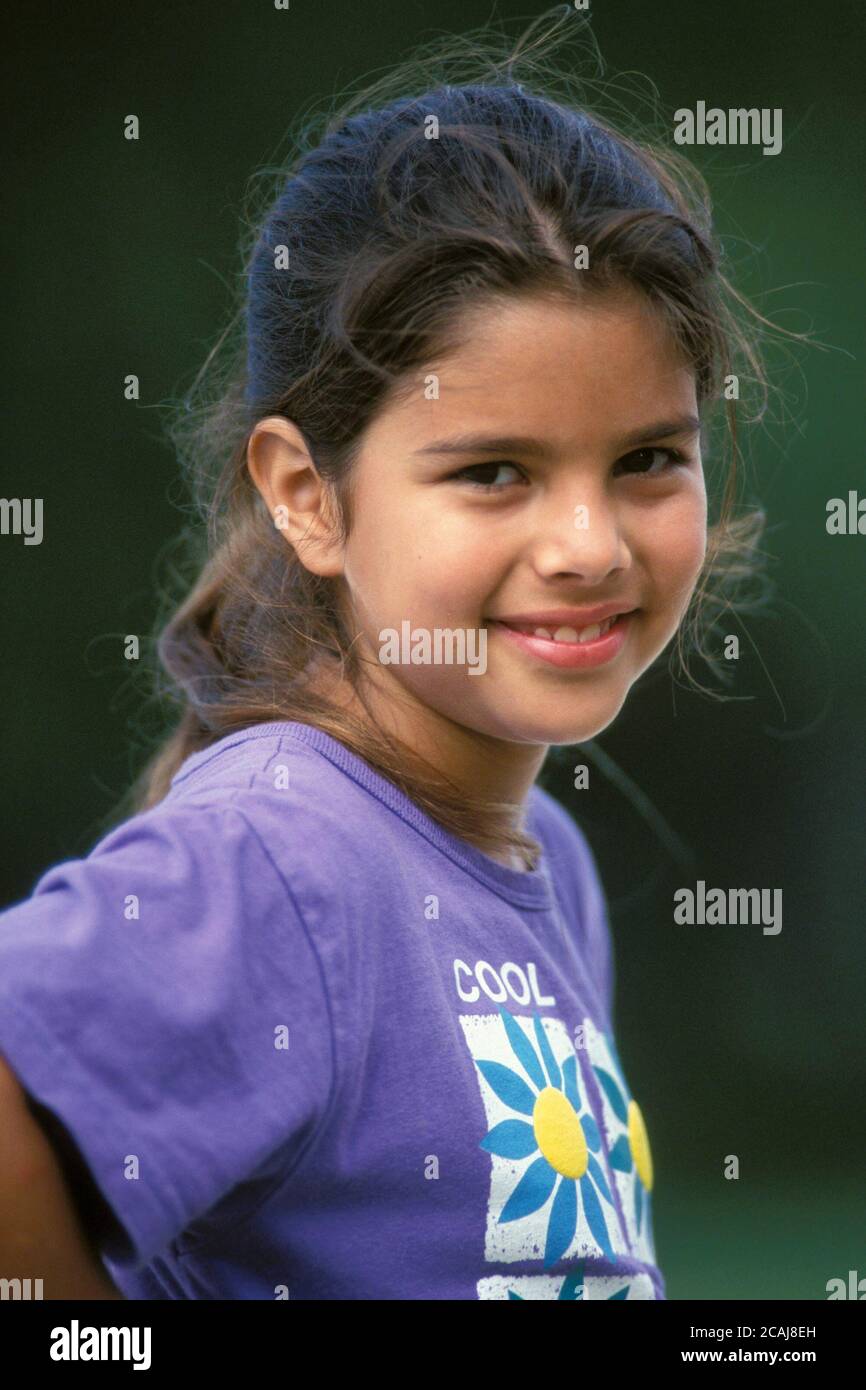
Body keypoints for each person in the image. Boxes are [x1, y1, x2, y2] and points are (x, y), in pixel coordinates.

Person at [0, 10, 774, 1300]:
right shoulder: (281, 858)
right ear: (308, 495)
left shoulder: (547, 858)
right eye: (492, 473)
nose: (588, 545)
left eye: (648, 459)